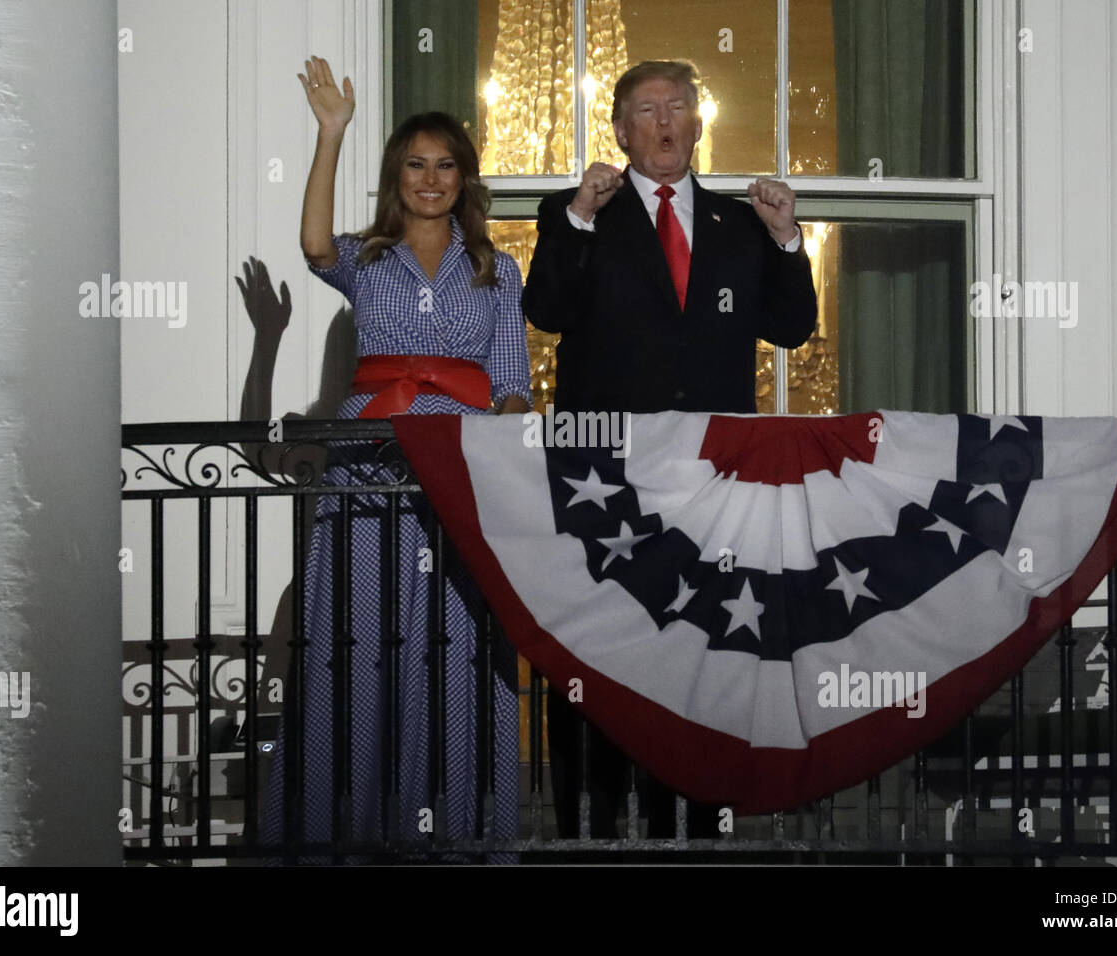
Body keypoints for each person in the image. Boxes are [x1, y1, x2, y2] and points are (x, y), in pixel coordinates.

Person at [522, 60, 818, 841]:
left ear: (695, 126)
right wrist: (581, 216)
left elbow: (791, 327)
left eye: (677, 108)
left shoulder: (740, 226)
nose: (663, 121)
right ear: (619, 131)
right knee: (601, 649)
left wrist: (790, 238)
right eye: (646, 110)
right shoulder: (577, 212)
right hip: (607, 489)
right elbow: (546, 308)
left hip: (710, 489)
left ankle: (691, 833)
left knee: (699, 652)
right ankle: (588, 833)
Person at [261, 56, 531, 861]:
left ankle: (456, 833)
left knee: (455, 648)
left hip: (456, 476)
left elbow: (511, 383)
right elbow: (312, 246)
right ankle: (339, 832)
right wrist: (330, 133)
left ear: (465, 179)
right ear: (396, 177)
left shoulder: (497, 269)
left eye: (445, 165)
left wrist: (514, 440)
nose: (430, 178)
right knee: (359, 639)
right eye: (415, 164)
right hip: (366, 474)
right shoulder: (367, 258)